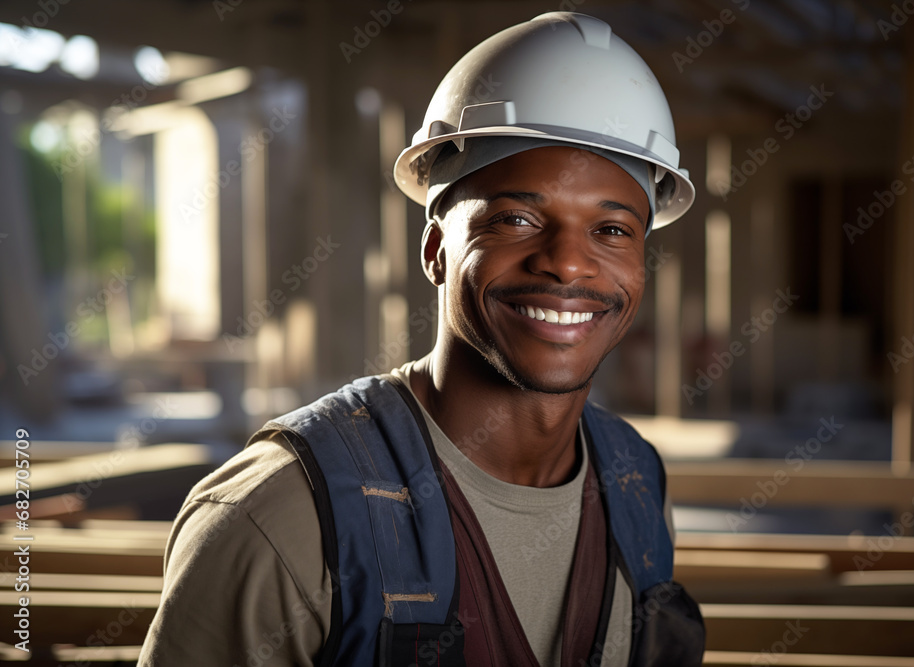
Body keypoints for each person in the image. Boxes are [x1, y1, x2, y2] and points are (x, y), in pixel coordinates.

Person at [139, 11, 704, 667]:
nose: (567, 263)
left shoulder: (636, 484)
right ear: (435, 248)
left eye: (611, 230)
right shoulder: (283, 516)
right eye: (517, 217)